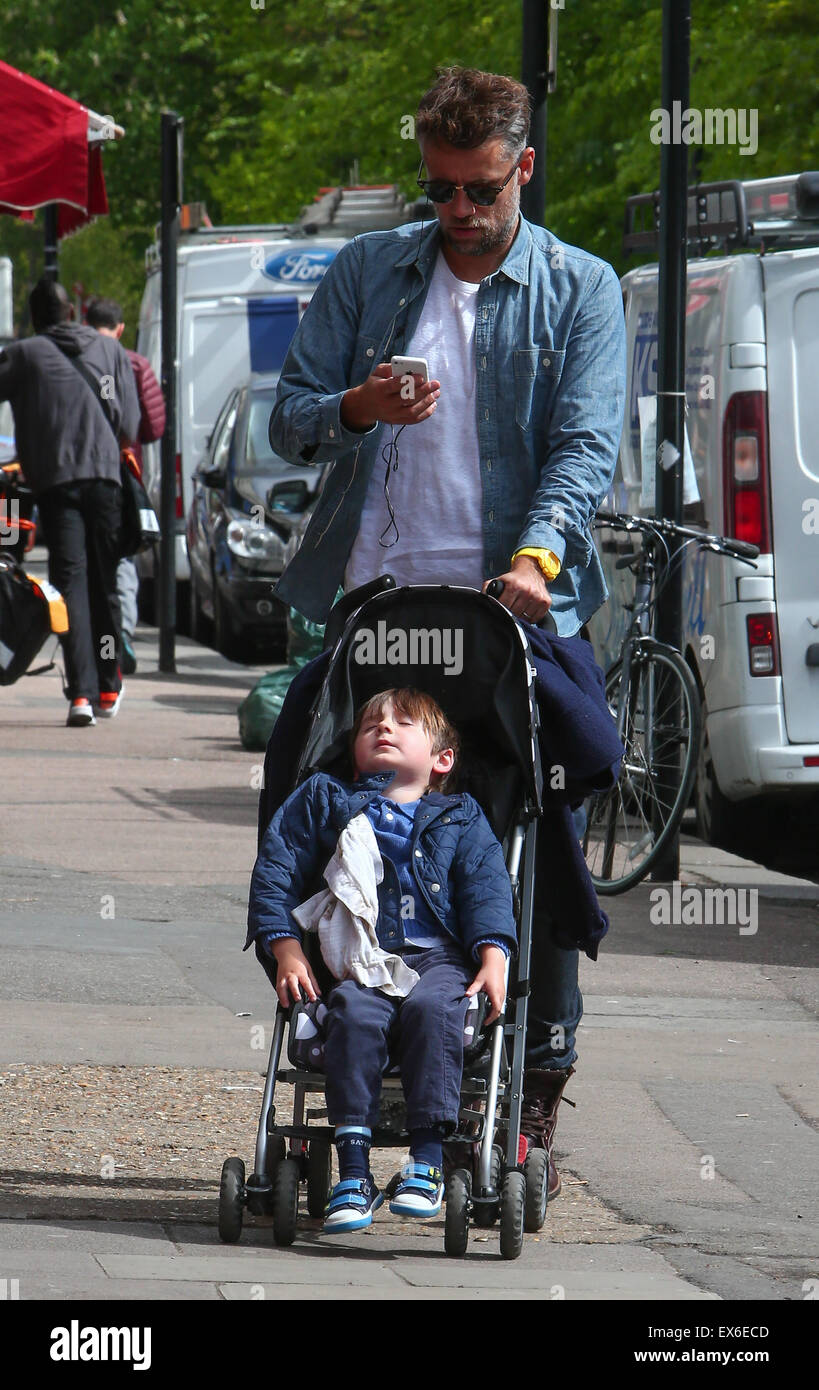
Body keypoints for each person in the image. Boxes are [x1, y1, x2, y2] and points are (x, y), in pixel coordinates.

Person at [264, 67, 627, 1199]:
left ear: (523, 167)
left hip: (512, 609)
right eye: (438, 191)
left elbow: (582, 444)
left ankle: (533, 1080)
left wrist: (538, 555)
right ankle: (335, 1031)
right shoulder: (372, 270)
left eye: (476, 190)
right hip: (374, 601)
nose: (457, 213)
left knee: (545, 822)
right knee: (310, 801)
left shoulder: (581, 287)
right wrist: (360, 409)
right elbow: (291, 415)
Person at [247, 687, 517, 1233]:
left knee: (435, 1008)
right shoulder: (325, 798)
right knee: (351, 1011)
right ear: (354, 751)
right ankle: (354, 1172)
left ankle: (427, 1162)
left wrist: (493, 956)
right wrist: (285, 945)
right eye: (371, 724)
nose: (383, 729)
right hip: (358, 959)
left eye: (402, 723)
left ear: (443, 759)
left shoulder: (460, 818)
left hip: (438, 959)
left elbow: (487, 888)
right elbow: (277, 870)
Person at [0, 277, 140, 725]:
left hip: (56, 483)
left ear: (35, 319)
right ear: (71, 314)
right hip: (105, 479)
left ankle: (79, 696)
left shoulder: (23, 354)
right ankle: (108, 683)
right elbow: (131, 422)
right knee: (106, 583)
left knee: (70, 584)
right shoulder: (111, 351)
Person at [86, 297, 166, 676]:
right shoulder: (134, 363)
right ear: (119, 328)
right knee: (122, 557)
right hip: (121, 469)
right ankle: (123, 636)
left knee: (84, 558)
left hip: (78, 472)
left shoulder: (74, 360)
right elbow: (152, 427)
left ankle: (95, 642)